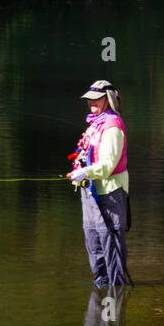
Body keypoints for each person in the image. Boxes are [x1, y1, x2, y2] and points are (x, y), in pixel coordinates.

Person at [67, 79, 131, 288]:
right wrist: (82, 174)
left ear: (109, 100)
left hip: (110, 192)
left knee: (109, 241)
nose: (91, 103)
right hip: (90, 191)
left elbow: (109, 165)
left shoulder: (112, 127)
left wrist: (85, 171)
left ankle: (117, 289)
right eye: (89, 100)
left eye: (97, 99)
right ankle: (101, 286)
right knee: (93, 241)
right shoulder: (96, 124)